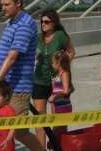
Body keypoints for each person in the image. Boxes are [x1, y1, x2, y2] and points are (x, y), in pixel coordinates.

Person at [0, 0, 40, 151]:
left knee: (19, 132)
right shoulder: (12, 22)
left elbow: (12, 57)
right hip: (1, 85)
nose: (3, 8)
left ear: (18, 3)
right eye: (2, 5)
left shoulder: (25, 24)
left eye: (7, 4)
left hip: (17, 88)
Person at [32, 10, 75, 149]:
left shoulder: (60, 36)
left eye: (46, 22)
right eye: (41, 22)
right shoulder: (38, 38)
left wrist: (62, 66)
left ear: (54, 23)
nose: (43, 24)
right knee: (40, 120)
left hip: (56, 81)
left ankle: (57, 147)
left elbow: (71, 52)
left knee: (58, 119)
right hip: (38, 80)